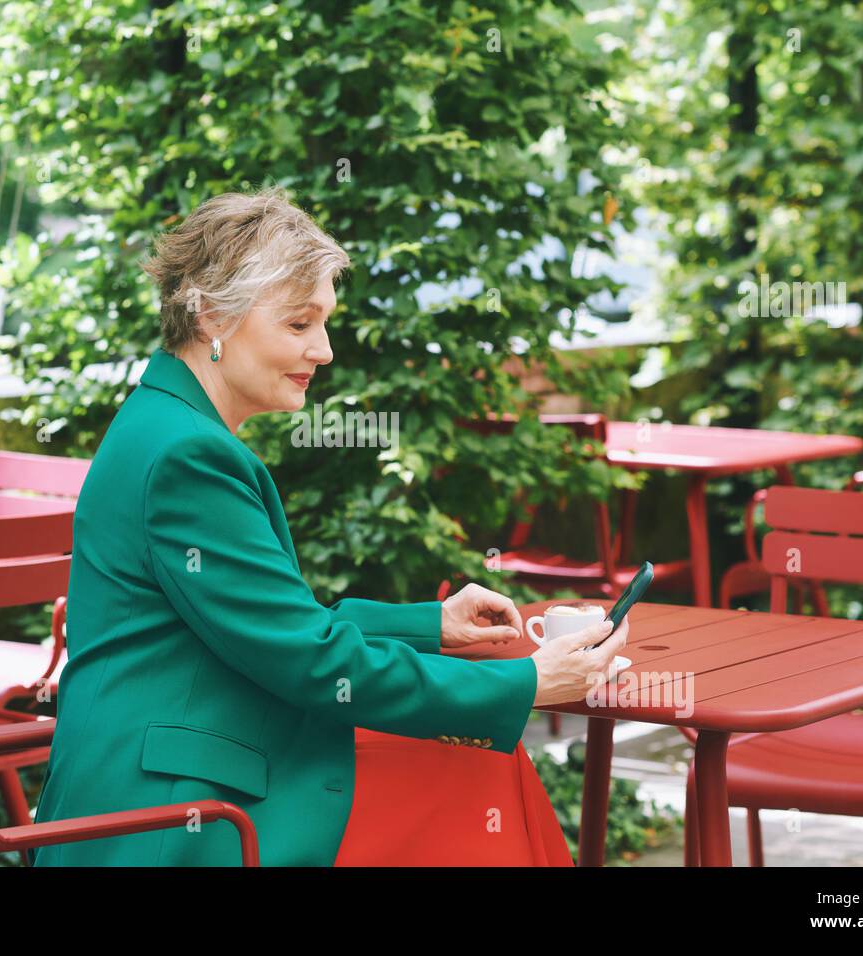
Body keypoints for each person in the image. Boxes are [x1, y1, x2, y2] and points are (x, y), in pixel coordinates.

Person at [31, 187, 628, 865]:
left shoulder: (168, 424)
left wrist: (432, 626)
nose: (325, 350)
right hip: (175, 810)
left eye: (324, 322)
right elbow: (310, 659)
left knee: (478, 769)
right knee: (477, 773)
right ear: (212, 318)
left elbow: (276, 629)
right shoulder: (187, 455)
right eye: (298, 324)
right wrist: (525, 686)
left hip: (181, 767)